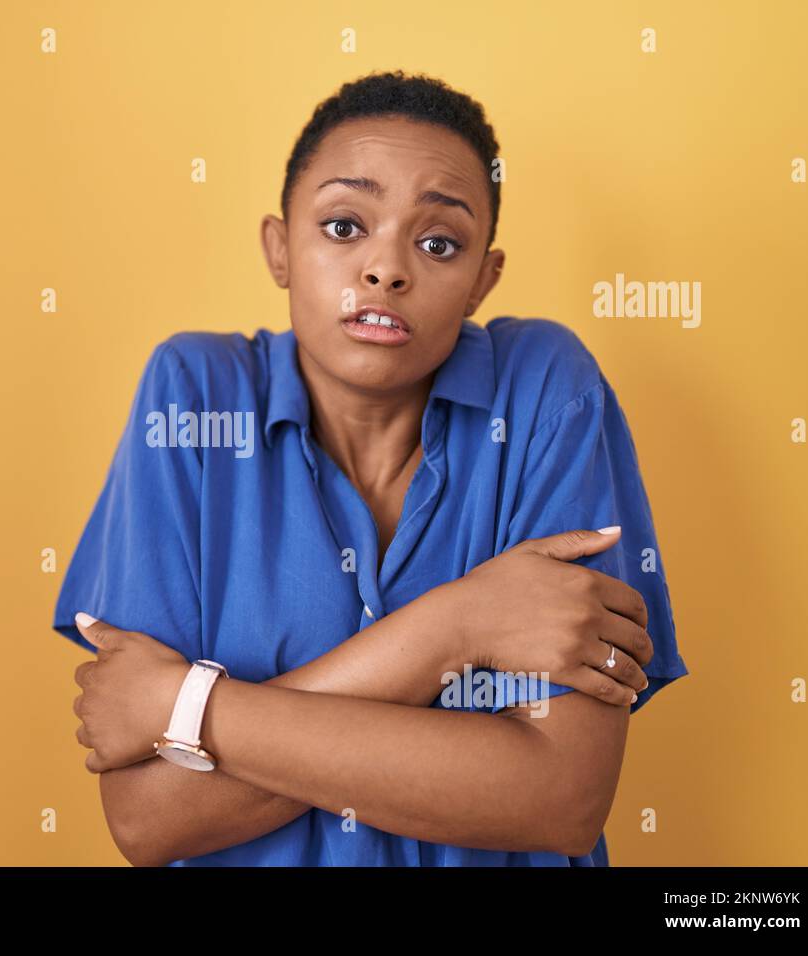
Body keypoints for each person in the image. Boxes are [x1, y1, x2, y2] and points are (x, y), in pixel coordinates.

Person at [52, 69, 689, 866]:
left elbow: (559, 798)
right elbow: (151, 819)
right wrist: (458, 628)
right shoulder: (191, 394)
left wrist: (186, 711)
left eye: (438, 243)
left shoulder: (545, 390)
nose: (386, 270)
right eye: (345, 226)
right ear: (279, 249)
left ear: (482, 281)